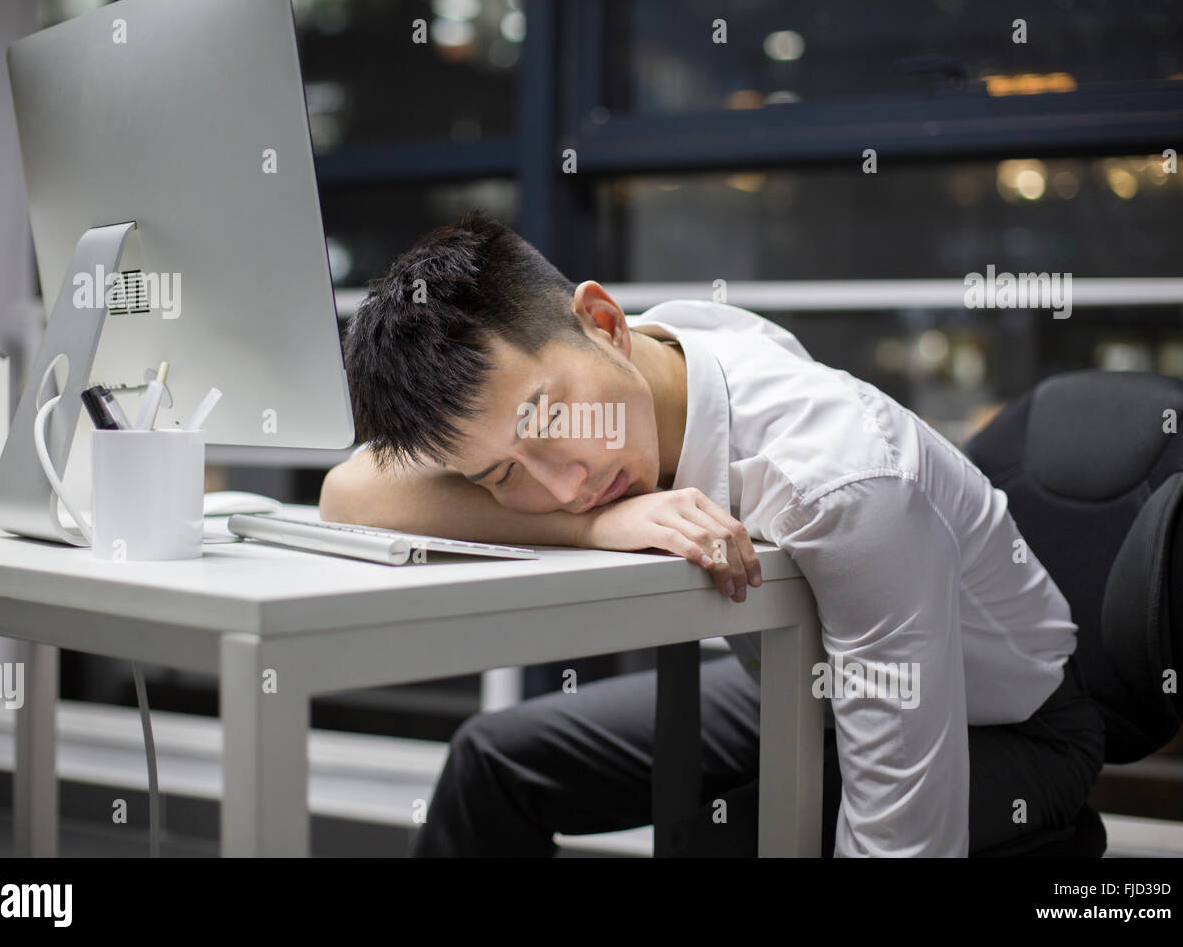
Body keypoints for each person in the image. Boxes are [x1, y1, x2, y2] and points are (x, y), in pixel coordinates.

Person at [319, 211, 1104, 857]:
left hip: (1007, 725)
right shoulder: (661, 358)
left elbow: (905, 842)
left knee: (706, 848)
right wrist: (596, 522)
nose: (562, 484)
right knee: (490, 765)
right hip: (803, 680)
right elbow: (349, 489)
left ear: (602, 322)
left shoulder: (842, 478)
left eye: (551, 421)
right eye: (500, 477)